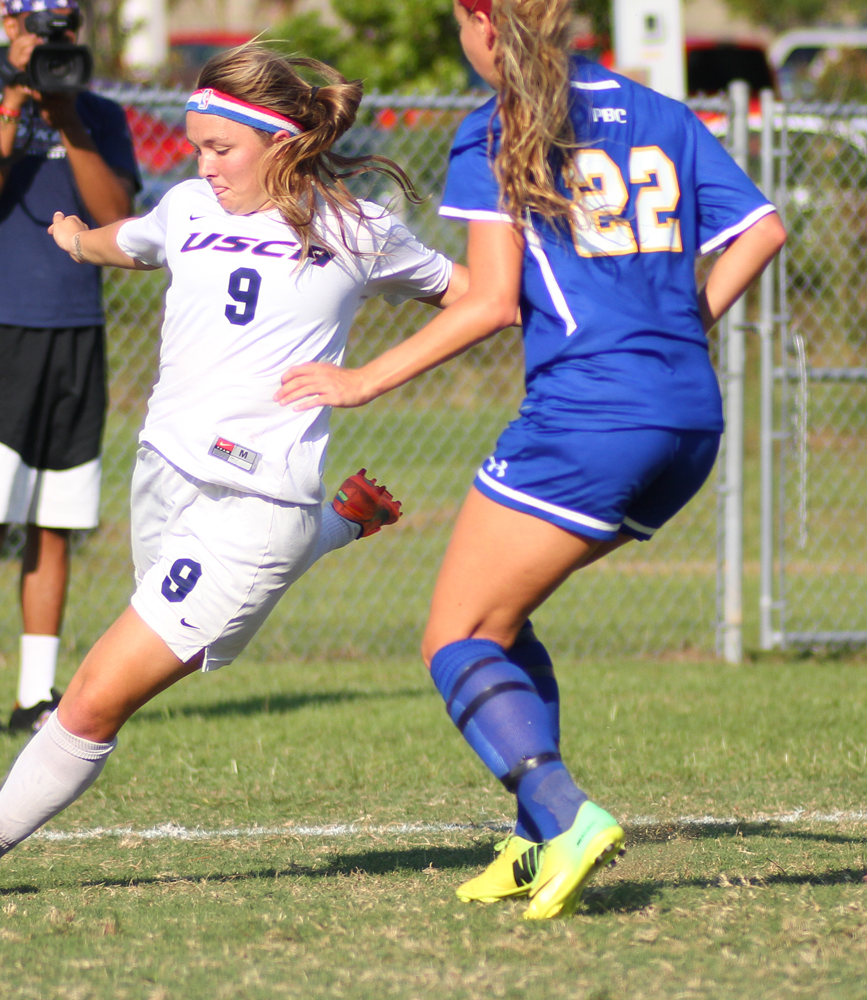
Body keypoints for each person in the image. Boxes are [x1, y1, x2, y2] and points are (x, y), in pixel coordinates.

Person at [278, 0, 786, 919]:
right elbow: (764, 231)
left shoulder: (500, 126)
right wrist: (682, 329)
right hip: (687, 416)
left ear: (483, 18)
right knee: (502, 618)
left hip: (589, 414)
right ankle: (529, 841)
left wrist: (360, 381)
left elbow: (488, 304)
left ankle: (566, 815)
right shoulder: (661, 112)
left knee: (453, 638)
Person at [0, 44, 466, 892]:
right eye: (195, 147)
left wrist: (370, 377)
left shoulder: (355, 229)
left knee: (91, 696)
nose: (202, 164)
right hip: (166, 480)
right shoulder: (191, 205)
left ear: (281, 143)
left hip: (253, 504)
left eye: (220, 148)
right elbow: (139, 241)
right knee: (185, 650)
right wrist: (81, 241)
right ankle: (339, 524)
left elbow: (481, 299)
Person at [0, 0, 141, 735]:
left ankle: (38, 696)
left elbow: (116, 216)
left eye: (62, 27)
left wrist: (70, 118)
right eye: (31, 25)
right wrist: (14, 106)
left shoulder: (100, 114)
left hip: (76, 328)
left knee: (57, 519)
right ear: (7, 29)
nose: (47, 40)